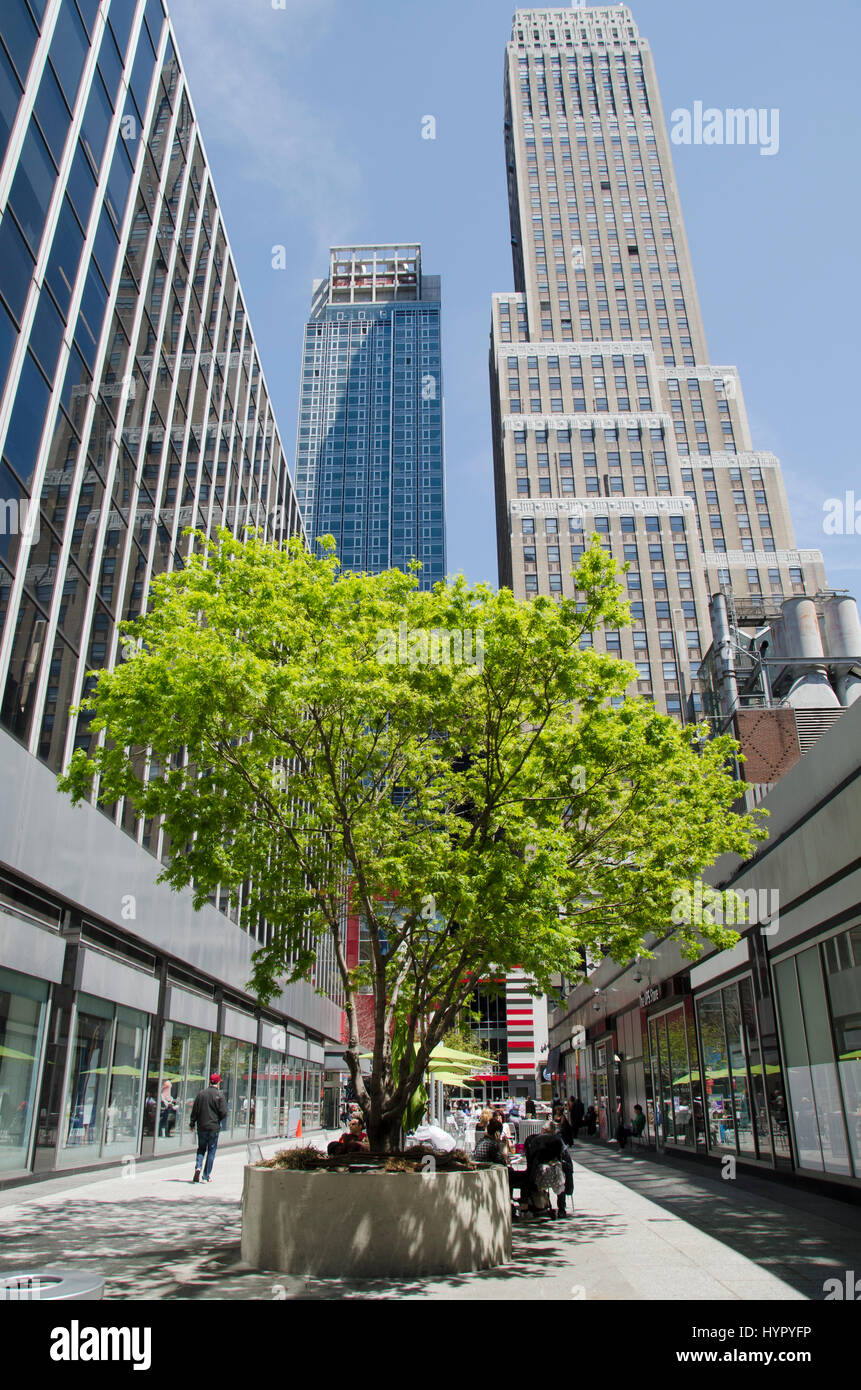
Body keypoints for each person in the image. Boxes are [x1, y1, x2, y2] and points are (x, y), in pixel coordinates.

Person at [190, 1072, 228, 1183]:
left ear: (209, 1082)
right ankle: (206, 1176)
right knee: (211, 1150)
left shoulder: (201, 1094)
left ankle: (198, 1167)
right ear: (218, 1082)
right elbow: (224, 1112)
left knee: (201, 1149)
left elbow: (195, 1111)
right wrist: (218, 1120)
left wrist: (192, 1123)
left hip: (201, 1126)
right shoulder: (220, 1096)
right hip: (213, 1127)